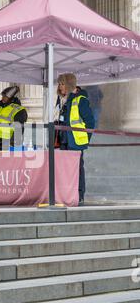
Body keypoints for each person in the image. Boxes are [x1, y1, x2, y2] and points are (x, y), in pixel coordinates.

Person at [55, 73, 95, 206]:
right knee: (65, 170)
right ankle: (67, 195)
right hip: (64, 140)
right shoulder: (63, 100)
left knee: (77, 169)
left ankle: (79, 195)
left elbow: (90, 122)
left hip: (75, 141)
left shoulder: (80, 99)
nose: (60, 86)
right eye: (59, 83)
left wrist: (84, 139)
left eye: (62, 83)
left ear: (69, 84)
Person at [0, 86, 28, 151]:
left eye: (5, 96)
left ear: (11, 98)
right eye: (3, 96)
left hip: (7, 142)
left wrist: (13, 142)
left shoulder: (18, 109)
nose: (2, 98)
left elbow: (19, 127)